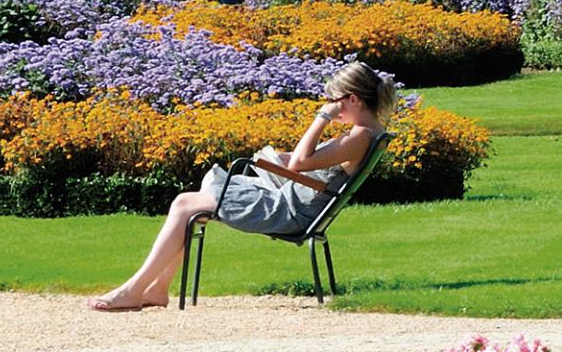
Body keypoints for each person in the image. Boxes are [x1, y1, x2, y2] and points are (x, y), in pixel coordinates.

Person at [87, 62, 395, 311]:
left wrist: (320, 118)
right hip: (293, 202)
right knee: (189, 203)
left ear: (353, 99)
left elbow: (299, 164)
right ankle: (156, 289)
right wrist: (276, 158)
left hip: (288, 213)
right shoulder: (368, 133)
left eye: (335, 101)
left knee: (185, 204)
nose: (332, 108)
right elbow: (311, 164)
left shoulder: (359, 136)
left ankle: (136, 289)